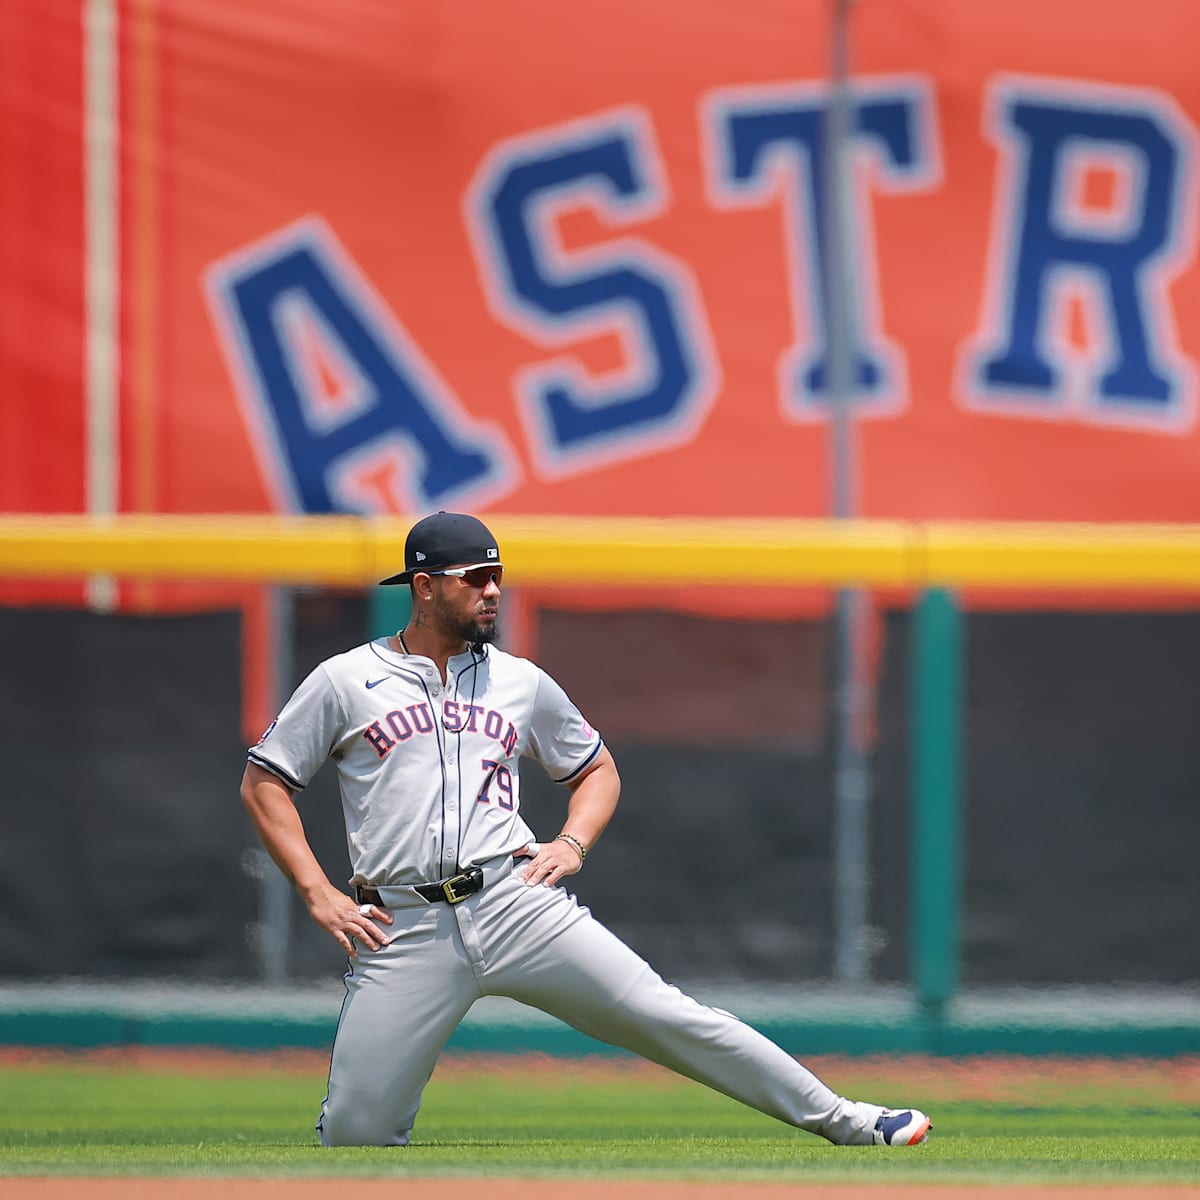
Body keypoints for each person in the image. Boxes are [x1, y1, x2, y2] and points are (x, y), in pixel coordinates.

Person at [240, 510, 932, 1149]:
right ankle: (348, 1117)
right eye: (474, 579)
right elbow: (265, 780)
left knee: (667, 1015)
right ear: (423, 587)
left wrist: (572, 842)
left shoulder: (520, 682)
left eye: (498, 578)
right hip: (405, 925)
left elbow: (596, 770)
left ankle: (850, 1122)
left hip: (513, 902)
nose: (492, 592)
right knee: (356, 1138)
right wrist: (315, 889)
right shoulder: (346, 679)